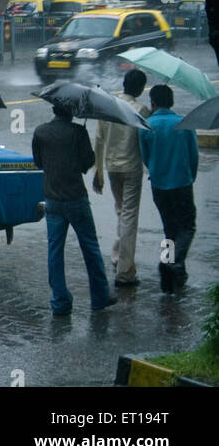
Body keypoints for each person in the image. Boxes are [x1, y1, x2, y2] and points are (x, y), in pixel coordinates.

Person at [31, 102, 115, 314]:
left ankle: (59, 302)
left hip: (52, 199)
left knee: (55, 251)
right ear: (72, 112)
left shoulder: (40, 132)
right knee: (90, 248)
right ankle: (100, 296)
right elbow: (87, 163)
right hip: (76, 198)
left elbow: (39, 162)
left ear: (54, 110)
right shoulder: (78, 132)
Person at [138, 84, 199, 293]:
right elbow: (194, 156)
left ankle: (170, 272)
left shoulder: (146, 125)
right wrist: (190, 176)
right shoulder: (184, 124)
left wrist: (157, 171)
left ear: (153, 103)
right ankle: (173, 264)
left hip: (159, 186)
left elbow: (145, 157)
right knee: (188, 227)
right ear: (171, 101)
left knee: (170, 229)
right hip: (182, 183)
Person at [92, 69, 148, 287]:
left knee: (121, 211)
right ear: (140, 89)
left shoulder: (109, 107)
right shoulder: (142, 109)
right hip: (132, 168)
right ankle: (125, 271)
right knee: (129, 216)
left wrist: (98, 173)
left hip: (112, 167)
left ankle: (117, 255)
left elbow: (98, 141)